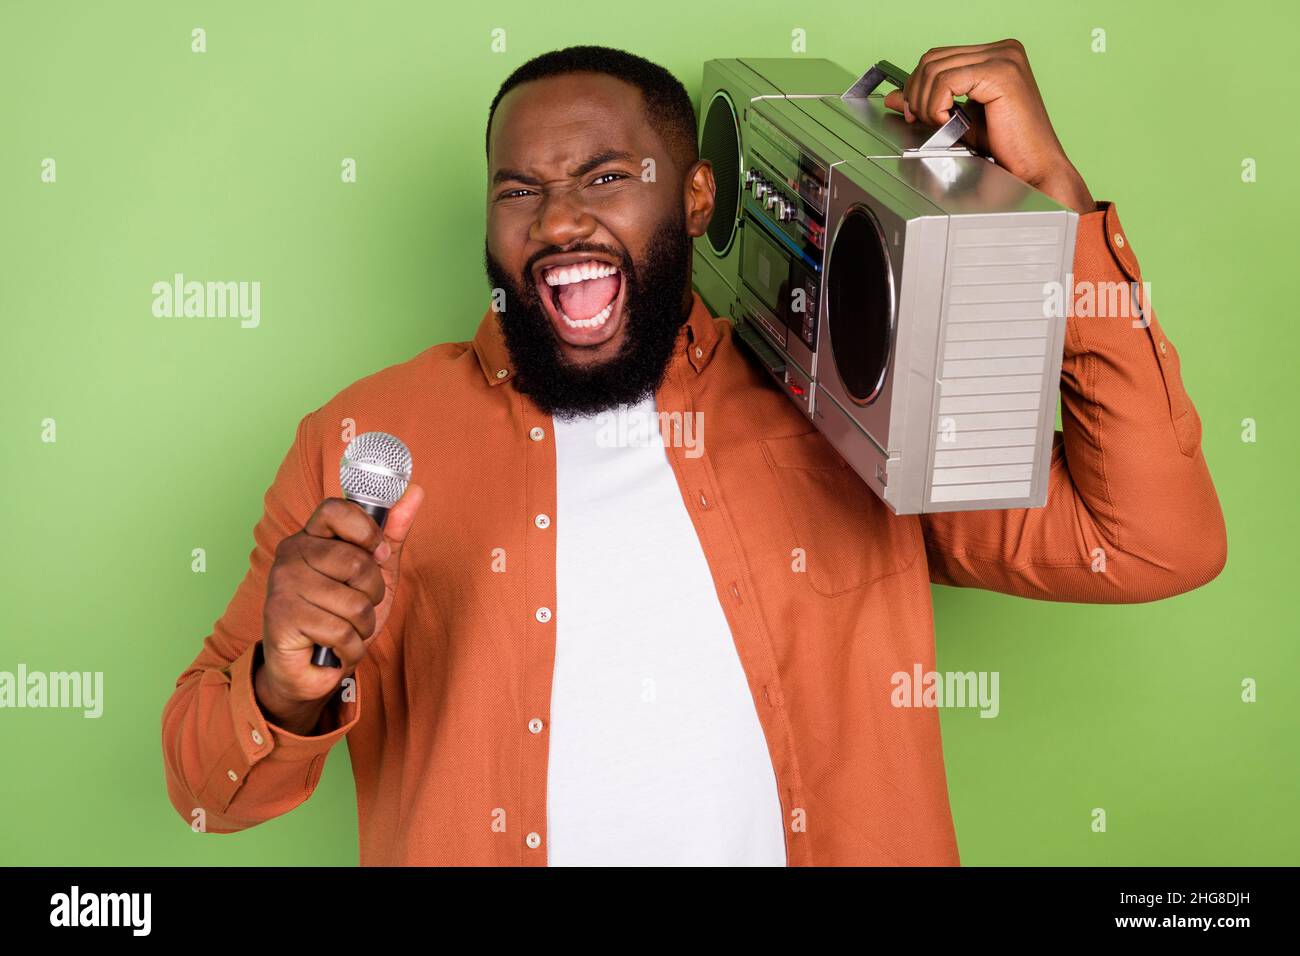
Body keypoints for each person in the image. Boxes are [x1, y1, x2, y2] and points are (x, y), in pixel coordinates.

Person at [161, 42, 1226, 866]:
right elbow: (209, 792)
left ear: (696, 198)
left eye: (607, 175)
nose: (559, 217)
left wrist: (1060, 209)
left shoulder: (847, 410)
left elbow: (1148, 545)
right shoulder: (364, 440)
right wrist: (279, 682)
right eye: (518, 189)